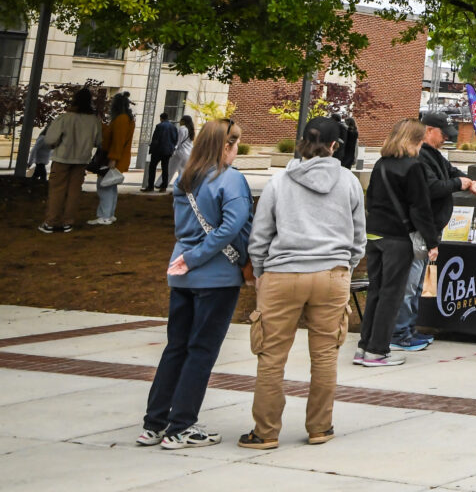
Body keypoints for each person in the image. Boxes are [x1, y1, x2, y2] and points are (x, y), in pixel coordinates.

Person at [240, 116, 365, 450]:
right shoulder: (349, 181)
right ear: (334, 145)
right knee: (325, 355)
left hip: (283, 273)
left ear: (300, 143)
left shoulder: (280, 182)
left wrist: (262, 272)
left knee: (271, 356)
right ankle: (320, 427)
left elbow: (260, 233)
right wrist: (345, 268)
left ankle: (265, 432)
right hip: (331, 275)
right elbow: (358, 236)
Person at [139, 118, 250, 449]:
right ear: (225, 145)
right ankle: (181, 426)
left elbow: (186, 227)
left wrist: (188, 258)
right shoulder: (231, 180)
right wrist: (199, 257)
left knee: (176, 347)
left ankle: (154, 424)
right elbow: (233, 227)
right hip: (215, 277)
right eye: (236, 145)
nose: (237, 151)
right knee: (201, 351)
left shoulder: (186, 178)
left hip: (182, 276)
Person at [391, 110, 476, 351]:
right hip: (418, 231)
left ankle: (408, 329)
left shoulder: (434, 155)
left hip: (427, 230)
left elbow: (451, 172)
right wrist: (460, 184)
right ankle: (400, 332)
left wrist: (467, 180)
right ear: (429, 131)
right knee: (410, 285)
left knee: (416, 283)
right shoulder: (419, 158)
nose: (446, 139)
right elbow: (429, 191)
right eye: (443, 134)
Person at [357, 119, 436, 369]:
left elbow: (370, 199)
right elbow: (420, 208)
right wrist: (432, 241)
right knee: (392, 295)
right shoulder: (413, 168)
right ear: (414, 140)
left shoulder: (381, 164)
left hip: (374, 235)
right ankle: (377, 351)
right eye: (421, 139)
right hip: (397, 238)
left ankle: (364, 346)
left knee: (376, 291)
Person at [39, 87, 101, 233]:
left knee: (57, 190)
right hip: (81, 160)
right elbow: (98, 141)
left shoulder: (65, 118)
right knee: (74, 191)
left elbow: (50, 139)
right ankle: (68, 222)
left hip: (62, 158)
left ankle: (51, 222)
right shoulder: (94, 120)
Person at [145, 110, 180, 191]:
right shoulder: (173, 127)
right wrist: (172, 148)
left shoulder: (159, 126)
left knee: (152, 168)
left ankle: (150, 186)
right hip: (168, 151)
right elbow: (175, 139)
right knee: (165, 168)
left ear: (161, 118)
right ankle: (164, 186)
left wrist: (151, 149)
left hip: (158, 150)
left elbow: (155, 139)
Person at [104, 91, 136, 173]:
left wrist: (113, 159)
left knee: (106, 184)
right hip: (119, 159)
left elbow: (118, 140)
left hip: (115, 160)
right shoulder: (126, 119)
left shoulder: (121, 119)